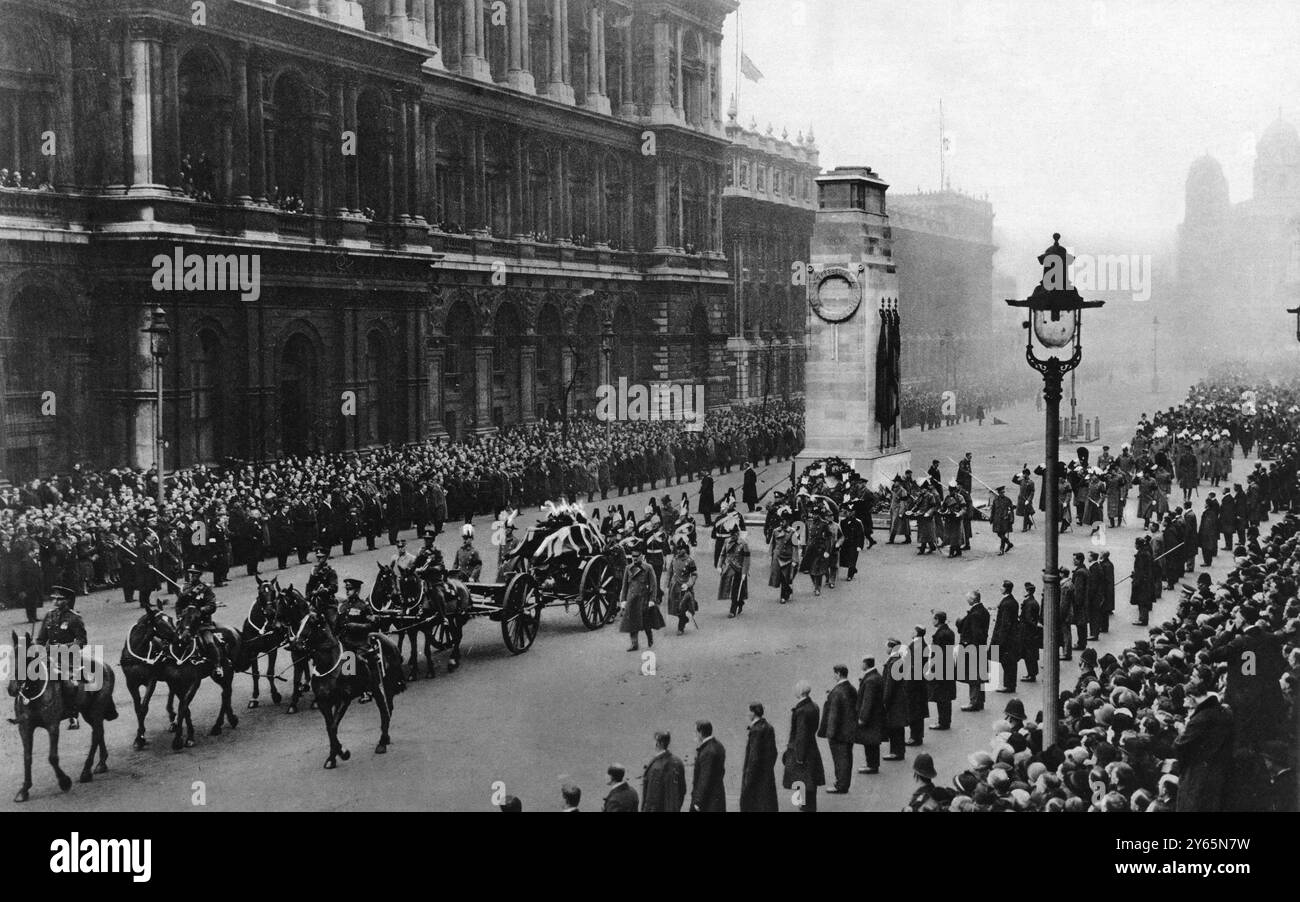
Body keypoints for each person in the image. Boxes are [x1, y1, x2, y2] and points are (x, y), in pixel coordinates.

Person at [1174, 681, 1235, 812]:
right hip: (1220, 770)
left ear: (1191, 697)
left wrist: (1182, 730)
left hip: (1199, 775)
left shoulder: (1200, 719)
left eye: (1186, 699)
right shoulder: (1223, 711)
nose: (1185, 704)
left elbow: (1180, 746)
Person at [782, 681, 825, 812]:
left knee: (802, 778)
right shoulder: (814, 706)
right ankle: (808, 804)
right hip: (812, 747)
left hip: (801, 749)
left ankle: (806, 805)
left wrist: (799, 756)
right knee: (810, 779)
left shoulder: (801, 711)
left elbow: (800, 735)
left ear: (800, 692)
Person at [818, 664, 858, 793]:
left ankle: (841, 785)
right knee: (847, 758)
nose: (833, 675)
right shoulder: (851, 688)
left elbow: (834, 715)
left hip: (838, 732)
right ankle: (843, 782)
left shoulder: (837, 692)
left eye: (834, 673)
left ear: (839, 674)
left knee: (840, 760)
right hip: (849, 730)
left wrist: (830, 733)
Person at [618, 540, 662, 651]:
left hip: (643, 599)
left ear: (641, 556)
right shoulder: (628, 568)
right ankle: (634, 644)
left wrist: (652, 600)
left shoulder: (648, 568)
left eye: (637, 556)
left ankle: (650, 638)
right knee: (632, 623)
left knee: (646, 622)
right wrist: (623, 600)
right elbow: (625, 586)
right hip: (632, 599)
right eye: (633, 556)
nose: (635, 558)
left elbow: (654, 585)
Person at [740, 702, 779, 811]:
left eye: (749, 711)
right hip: (767, 774)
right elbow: (774, 752)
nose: (747, 714)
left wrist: (748, 780)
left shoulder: (756, 730)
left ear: (753, 713)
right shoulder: (769, 727)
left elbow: (754, 757)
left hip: (756, 778)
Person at [956, 590, 989, 711]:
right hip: (980, 647)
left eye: (968, 598)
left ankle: (973, 702)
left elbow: (975, 633)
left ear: (973, 599)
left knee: (973, 677)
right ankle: (980, 701)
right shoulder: (983, 611)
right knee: (979, 676)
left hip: (973, 648)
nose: (967, 600)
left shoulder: (974, 614)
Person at [641, 731, 686, 812]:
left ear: (659, 743)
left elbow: (652, 797)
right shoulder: (678, 762)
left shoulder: (656, 767)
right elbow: (682, 790)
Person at [881, 638, 909, 760]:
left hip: (894, 700)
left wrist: (884, 700)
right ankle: (899, 750)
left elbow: (889, 685)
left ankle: (896, 752)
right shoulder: (898, 660)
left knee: (894, 726)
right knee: (898, 726)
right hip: (899, 698)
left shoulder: (893, 662)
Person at [855, 656, 885, 773]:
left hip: (871, 717)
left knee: (869, 742)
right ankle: (872, 764)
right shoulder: (875, 676)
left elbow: (868, 701)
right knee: (872, 742)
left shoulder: (870, 680)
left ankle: (871, 765)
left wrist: (863, 718)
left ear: (865, 664)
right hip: (876, 715)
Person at [690, 720, 727, 811]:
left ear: (701, 733)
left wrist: (698, 802)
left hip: (707, 801)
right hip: (717, 797)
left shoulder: (707, 751)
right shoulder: (718, 746)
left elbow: (705, 778)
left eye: (695, 732)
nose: (694, 734)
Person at [664, 538, 698, 635]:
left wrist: (688, 584)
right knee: (675, 607)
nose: (678, 551)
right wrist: (667, 585)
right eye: (677, 549)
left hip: (684, 587)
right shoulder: (674, 559)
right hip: (674, 586)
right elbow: (670, 572)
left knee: (681, 607)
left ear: (685, 549)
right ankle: (684, 619)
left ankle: (681, 627)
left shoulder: (690, 561)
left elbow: (694, 574)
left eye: (681, 549)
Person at [928, 612, 956, 728]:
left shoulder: (940, 635)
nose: (932, 621)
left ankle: (942, 722)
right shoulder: (949, 632)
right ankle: (946, 721)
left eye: (933, 619)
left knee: (941, 697)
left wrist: (932, 669)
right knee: (946, 696)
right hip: (948, 667)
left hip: (941, 668)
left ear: (937, 620)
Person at [717, 523, 750, 618]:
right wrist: (719, 565)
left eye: (735, 534)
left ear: (738, 533)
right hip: (728, 568)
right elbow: (722, 554)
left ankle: (733, 610)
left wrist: (744, 572)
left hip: (739, 569)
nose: (734, 536)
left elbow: (746, 559)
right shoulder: (727, 541)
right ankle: (740, 602)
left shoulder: (743, 543)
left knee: (736, 589)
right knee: (729, 588)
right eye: (732, 534)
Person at [992, 580, 1019, 691]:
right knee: (1009, 661)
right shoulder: (1011, 601)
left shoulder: (1006, 604)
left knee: (1006, 661)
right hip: (1012, 636)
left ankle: (1008, 685)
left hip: (1006, 638)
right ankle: (1009, 684)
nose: (1000, 588)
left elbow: (1005, 623)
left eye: (1002, 587)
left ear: (1005, 589)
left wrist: (1000, 640)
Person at [768, 516, 796, 604]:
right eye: (781, 521)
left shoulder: (793, 531)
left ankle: (783, 596)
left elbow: (795, 546)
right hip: (777, 556)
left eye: (784, 521)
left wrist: (795, 559)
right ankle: (788, 590)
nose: (782, 523)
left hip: (787, 557)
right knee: (778, 576)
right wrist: (771, 556)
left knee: (785, 577)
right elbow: (772, 544)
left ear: (788, 521)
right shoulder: (776, 531)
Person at [1129, 536, 1156, 626]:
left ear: (1138, 545)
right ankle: (1142, 618)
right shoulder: (1146, 552)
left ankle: (1142, 619)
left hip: (1142, 582)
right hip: (1147, 580)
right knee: (1143, 600)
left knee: (1142, 601)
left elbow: (1141, 569)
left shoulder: (1141, 555)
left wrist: (1136, 578)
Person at [1019, 583, 1041, 683]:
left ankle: (1031, 674)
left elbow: (1028, 619)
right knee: (1032, 654)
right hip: (1032, 633)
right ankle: (1032, 673)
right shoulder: (1033, 602)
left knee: (1029, 655)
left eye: (1024, 590)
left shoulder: (1028, 603)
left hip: (1028, 633)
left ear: (1028, 591)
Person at [991, 485, 1014, 554]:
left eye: (1003, 492)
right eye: (1001, 493)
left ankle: (1002, 549)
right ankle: (1009, 544)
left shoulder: (1008, 500)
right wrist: (991, 518)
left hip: (1005, 520)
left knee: (1003, 534)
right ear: (999, 493)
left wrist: (1011, 519)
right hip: (997, 520)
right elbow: (993, 510)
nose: (1002, 494)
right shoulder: (995, 500)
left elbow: (1011, 510)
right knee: (999, 534)